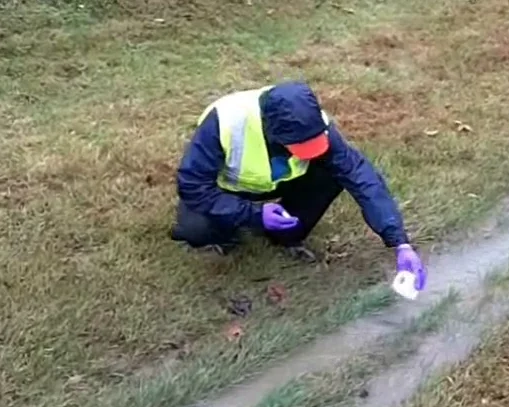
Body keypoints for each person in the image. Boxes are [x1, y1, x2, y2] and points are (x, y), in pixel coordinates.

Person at [170, 80, 427, 292]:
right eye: (299, 148)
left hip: (282, 181)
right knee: (195, 230)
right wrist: (253, 214)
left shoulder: (317, 125)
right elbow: (192, 184)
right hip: (230, 187)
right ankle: (226, 234)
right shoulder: (225, 121)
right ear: (273, 133)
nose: (307, 154)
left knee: (334, 173)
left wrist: (400, 242)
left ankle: (285, 233)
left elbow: (361, 176)